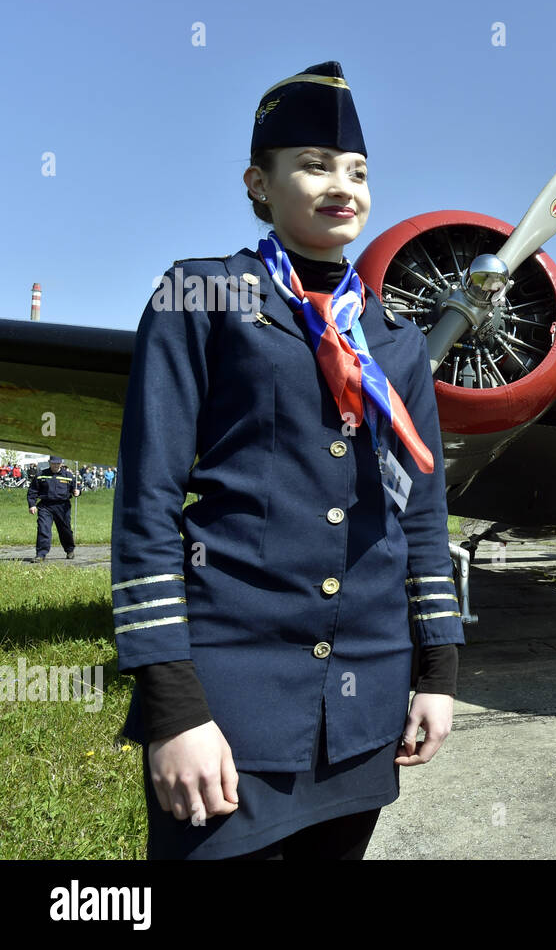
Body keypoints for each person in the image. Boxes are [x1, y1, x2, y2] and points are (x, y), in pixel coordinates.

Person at [111, 62, 463, 861]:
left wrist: (438, 669)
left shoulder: (395, 341)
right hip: (229, 701)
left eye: (358, 171)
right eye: (313, 164)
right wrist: (173, 705)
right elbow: (146, 501)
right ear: (258, 184)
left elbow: (421, 514)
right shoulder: (199, 297)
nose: (343, 186)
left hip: (366, 700)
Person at [27, 455, 80, 562]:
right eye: (53, 463)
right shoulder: (41, 475)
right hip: (45, 506)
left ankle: (69, 550)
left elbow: (76, 487)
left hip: (62, 506)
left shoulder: (68, 475)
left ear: (61, 463)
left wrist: (77, 491)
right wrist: (32, 504)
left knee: (65, 530)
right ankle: (41, 554)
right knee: (43, 528)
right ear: (49, 462)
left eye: (58, 463)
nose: (56, 465)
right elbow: (33, 491)